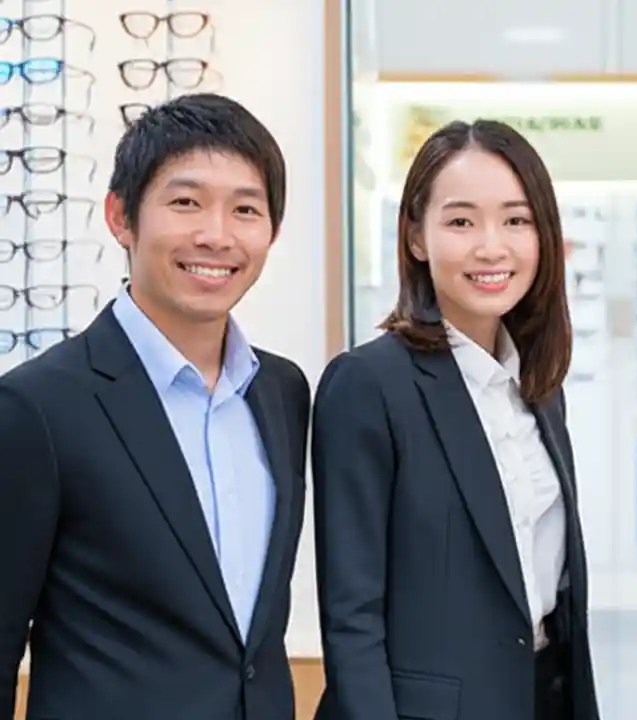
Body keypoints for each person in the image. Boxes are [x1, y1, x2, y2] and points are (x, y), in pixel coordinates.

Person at [0, 93, 310, 719]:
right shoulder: (38, 407)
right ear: (121, 216)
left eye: (245, 209)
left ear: (272, 231)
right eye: (185, 202)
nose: (216, 235)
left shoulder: (282, 391)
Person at [311, 119, 598, 720]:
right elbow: (351, 618)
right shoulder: (368, 385)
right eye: (461, 221)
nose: (492, 246)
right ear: (417, 237)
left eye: (516, 220)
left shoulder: (540, 390)